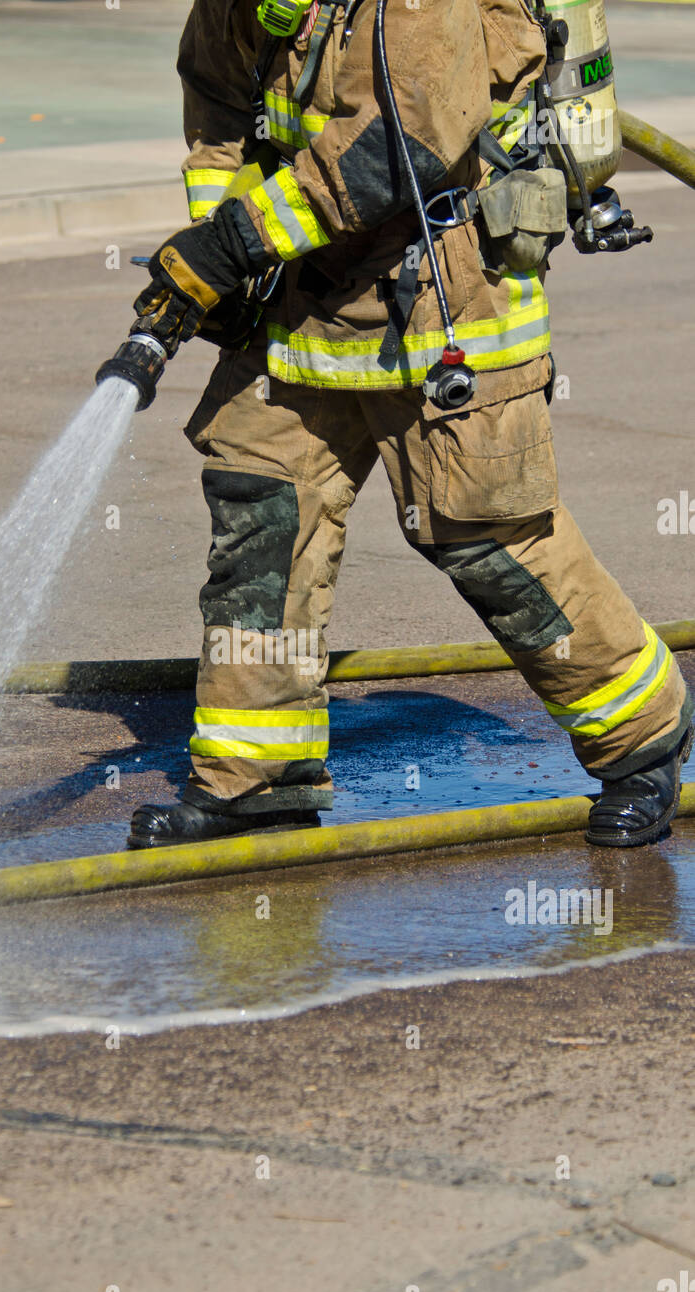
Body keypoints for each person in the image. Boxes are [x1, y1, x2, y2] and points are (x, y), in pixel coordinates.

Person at [126, 0, 692, 850]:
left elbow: (403, 149)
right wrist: (219, 243)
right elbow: (216, 104)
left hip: (445, 305)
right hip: (295, 308)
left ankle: (640, 739)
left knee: (491, 542)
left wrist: (233, 244)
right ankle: (255, 775)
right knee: (261, 525)